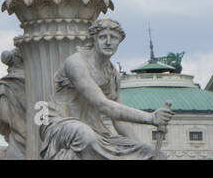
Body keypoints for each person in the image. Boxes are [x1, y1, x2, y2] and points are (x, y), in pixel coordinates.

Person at [39, 19, 170, 160]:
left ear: (119, 41)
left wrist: (140, 147)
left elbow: (118, 120)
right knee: (85, 136)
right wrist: (150, 118)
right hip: (60, 123)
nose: (108, 42)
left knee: (154, 155)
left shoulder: (112, 73)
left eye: (113, 38)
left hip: (95, 130)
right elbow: (103, 105)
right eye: (102, 37)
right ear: (94, 40)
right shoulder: (76, 63)